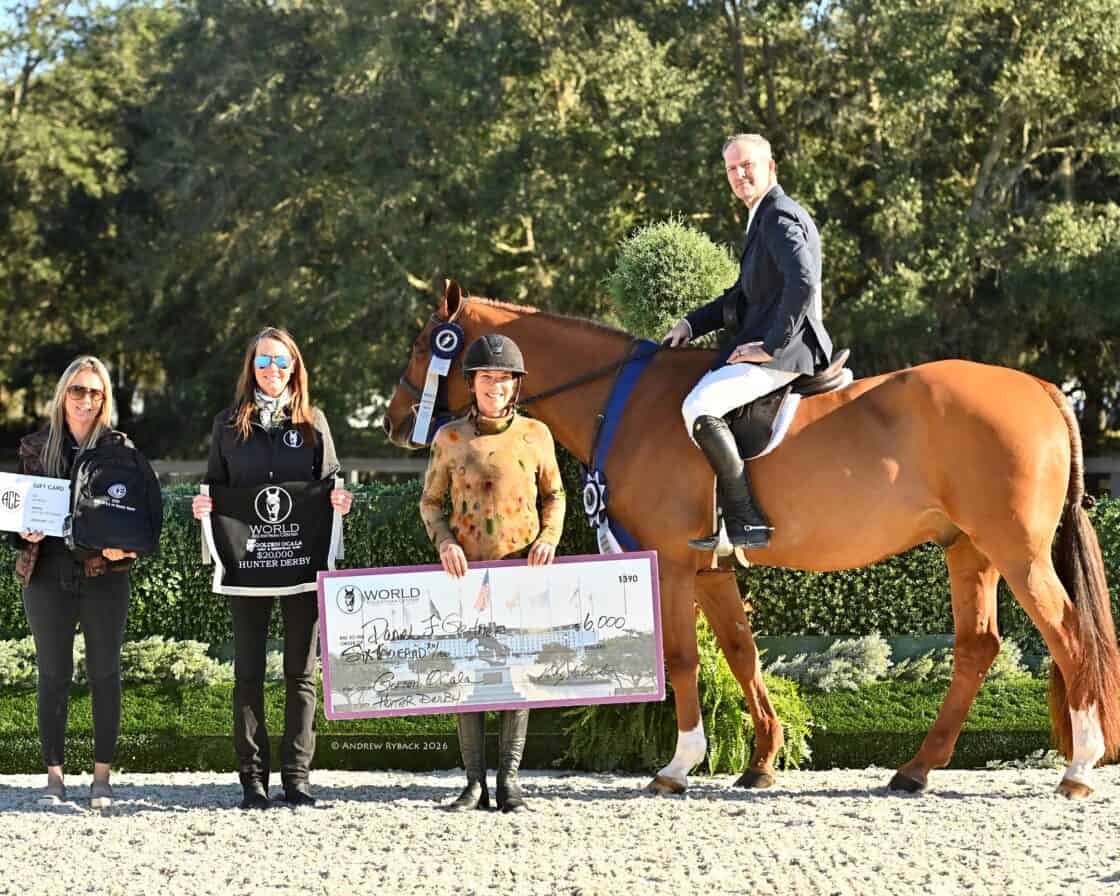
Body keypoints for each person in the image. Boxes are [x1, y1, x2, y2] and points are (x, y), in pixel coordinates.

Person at [192, 327, 353, 810]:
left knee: (301, 673)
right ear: (251, 367)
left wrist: (340, 501)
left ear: (295, 368)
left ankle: (297, 777)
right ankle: (252, 778)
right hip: (248, 565)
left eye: (281, 362)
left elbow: (329, 485)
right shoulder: (227, 425)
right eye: (264, 361)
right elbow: (214, 488)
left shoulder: (314, 423)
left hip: (300, 562)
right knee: (248, 673)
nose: (272, 370)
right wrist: (205, 508)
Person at [664, 133, 834, 551]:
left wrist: (771, 346)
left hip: (789, 351)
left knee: (699, 406)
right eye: (731, 169)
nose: (739, 175)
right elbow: (743, 297)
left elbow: (804, 281)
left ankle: (746, 518)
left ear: (771, 167)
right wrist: (690, 324)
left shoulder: (778, 217)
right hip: (777, 345)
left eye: (747, 166)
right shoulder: (762, 217)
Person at [419, 333, 565, 813]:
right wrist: (443, 542)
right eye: (487, 378)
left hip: (519, 571)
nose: (495, 386)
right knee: (470, 676)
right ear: (473, 383)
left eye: (504, 379)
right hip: (466, 576)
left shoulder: (536, 435)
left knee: (516, 675)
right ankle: (473, 782)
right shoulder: (450, 439)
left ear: (515, 385)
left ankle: (511, 781)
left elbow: (555, 496)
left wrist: (548, 538)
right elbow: (431, 503)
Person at [14, 357, 140, 808]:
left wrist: (126, 546)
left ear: (105, 399)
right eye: (78, 390)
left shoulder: (121, 449)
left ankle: (101, 778)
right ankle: (54, 777)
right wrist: (21, 531)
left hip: (104, 575)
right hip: (46, 573)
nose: (86, 400)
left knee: (105, 674)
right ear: (63, 395)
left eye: (95, 392)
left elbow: (138, 517)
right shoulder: (34, 447)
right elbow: (16, 515)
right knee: (53, 675)